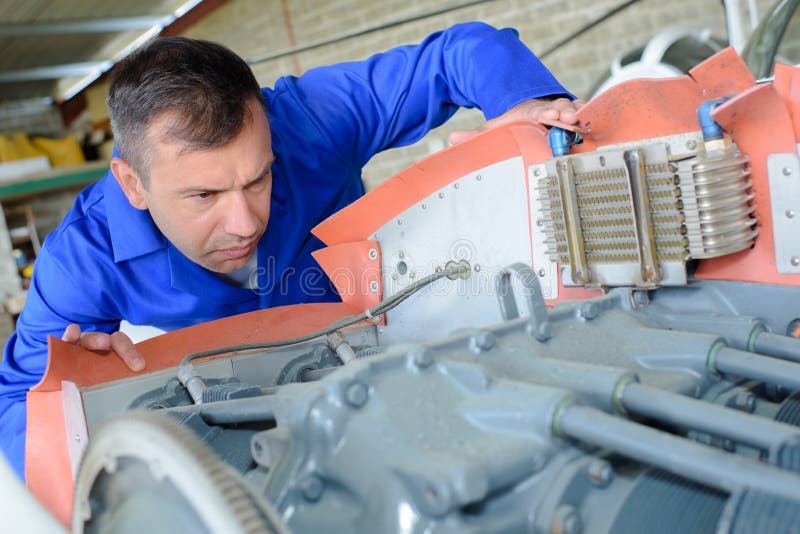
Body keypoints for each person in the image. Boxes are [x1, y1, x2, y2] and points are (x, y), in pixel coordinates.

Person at [0, 22, 583, 479]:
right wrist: (67, 402)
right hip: (240, 400)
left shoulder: (311, 120)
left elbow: (458, 52)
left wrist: (532, 103)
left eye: (258, 179)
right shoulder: (81, 257)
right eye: (203, 194)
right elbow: (15, 410)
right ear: (132, 185)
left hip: (381, 342)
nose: (243, 221)